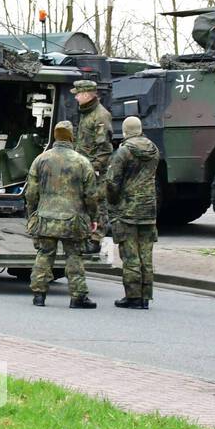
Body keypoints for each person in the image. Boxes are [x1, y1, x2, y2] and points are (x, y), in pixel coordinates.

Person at [24, 120, 100, 309]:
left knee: (44, 254)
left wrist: (32, 213)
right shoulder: (82, 161)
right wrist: (94, 218)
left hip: (46, 217)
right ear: (71, 137)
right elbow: (91, 195)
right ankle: (78, 296)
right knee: (74, 256)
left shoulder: (40, 159)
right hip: (72, 219)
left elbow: (31, 193)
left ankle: (39, 294)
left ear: (55, 136)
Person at [105, 115, 159, 310]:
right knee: (146, 254)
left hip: (127, 208)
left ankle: (133, 296)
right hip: (149, 207)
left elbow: (112, 181)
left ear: (126, 131)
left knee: (130, 255)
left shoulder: (123, 152)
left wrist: (112, 201)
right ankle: (146, 296)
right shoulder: (154, 150)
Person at [72, 79, 113, 256]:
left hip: (94, 170)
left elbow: (104, 149)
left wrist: (93, 168)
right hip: (83, 166)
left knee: (97, 202)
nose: (76, 98)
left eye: (78, 94)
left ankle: (95, 239)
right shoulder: (86, 113)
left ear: (87, 94)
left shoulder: (100, 116)